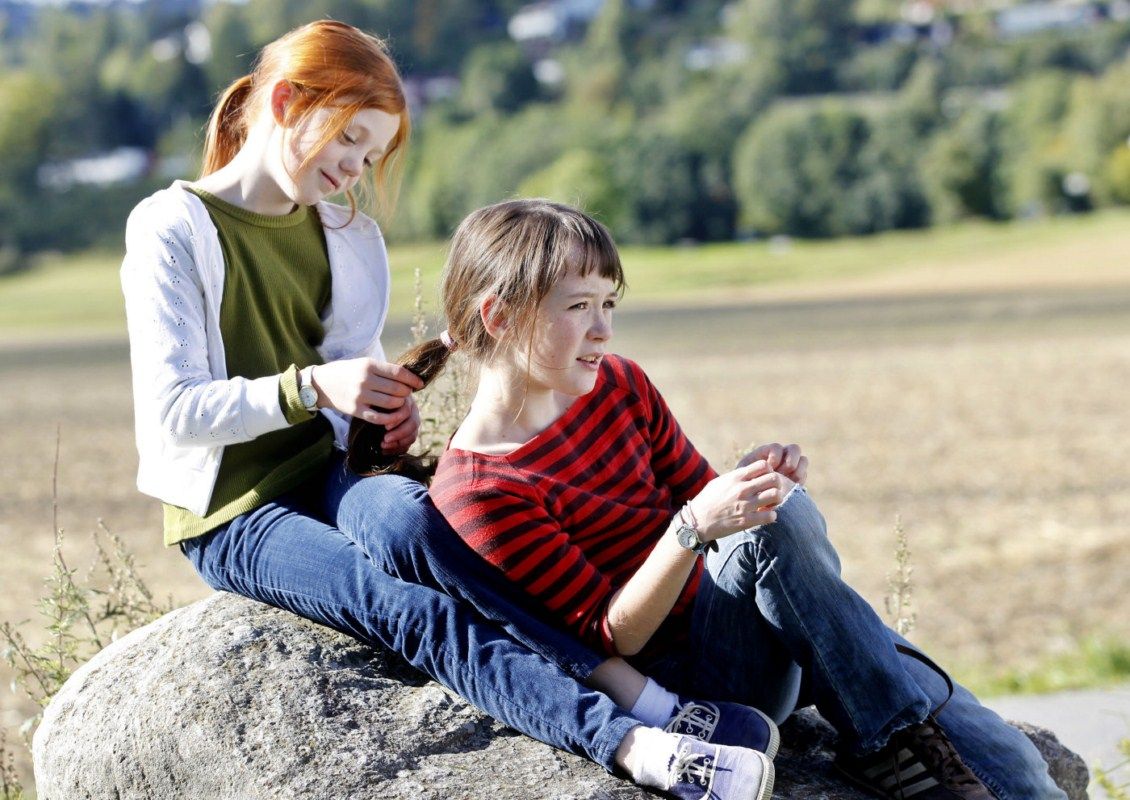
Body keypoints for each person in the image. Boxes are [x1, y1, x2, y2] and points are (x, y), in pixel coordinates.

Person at [121, 20, 777, 800]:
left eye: (371, 155)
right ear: (289, 102)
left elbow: (345, 402)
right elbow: (174, 411)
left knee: (414, 522)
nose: (355, 169)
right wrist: (312, 387)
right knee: (406, 611)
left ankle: (629, 687)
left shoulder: (349, 237)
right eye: (349, 140)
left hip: (329, 471)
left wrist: (378, 423)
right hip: (235, 513)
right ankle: (642, 739)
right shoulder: (171, 227)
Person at [378, 198, 1069, 800]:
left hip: (771, 629)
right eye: (579, 307)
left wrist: (746, 484)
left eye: (609, 304)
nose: (604, 330)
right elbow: (609, 639)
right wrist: (692, 529)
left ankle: (897, 730)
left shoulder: (621, 384)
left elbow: (700, 496)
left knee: (1019, 775)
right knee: (773, 529)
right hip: (700, 686)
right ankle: (887, 742)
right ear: (498, 316)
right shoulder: (480, 494)